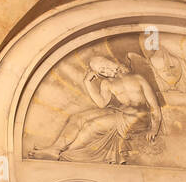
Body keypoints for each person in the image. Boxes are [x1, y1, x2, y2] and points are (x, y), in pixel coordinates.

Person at [29, 55, 162, 163]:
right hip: (121, 113)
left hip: (138, 119)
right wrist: (87, 82)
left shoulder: (138, 78)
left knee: (91, 125)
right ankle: (55, 148)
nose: (105, 72)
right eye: (101, 71)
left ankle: (65, 153)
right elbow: (102, 104)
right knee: (78, 118)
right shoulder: (107, 83)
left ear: (110, 62)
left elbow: (154, 106)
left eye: (105, 66)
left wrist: (154, 128)